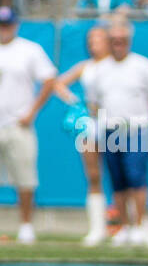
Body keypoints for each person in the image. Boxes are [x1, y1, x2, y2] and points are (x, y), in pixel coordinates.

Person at [0, 7, 58, 244]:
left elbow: (49, 80)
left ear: (15, 25)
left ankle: (26, 225)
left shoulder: (30, 50)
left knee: (25, 176)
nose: (4, 28)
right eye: (0, 24)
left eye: (8, 24)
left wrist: (31, 112)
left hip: (19, 124)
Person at [86, 15, 148, 248]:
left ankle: (141, 225)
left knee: (137, 177)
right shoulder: (99, 71)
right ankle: (123, 226)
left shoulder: (144, 66)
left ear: (129, 40)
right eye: (114, 39)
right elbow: (94, 104)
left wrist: (141, 120)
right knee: (118, 180)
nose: (118, 43)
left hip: (137, 128)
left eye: (122, 39)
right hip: (111, 129)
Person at [25, 23, 101, 244]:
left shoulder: (116, 65)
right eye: (91, 41)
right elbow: (56, 84)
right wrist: (75, 102)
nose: (94, 45)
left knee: (125, 176)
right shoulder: (85, 66)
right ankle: (98, 227)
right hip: (92, 124)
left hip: (115, 122)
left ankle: (133, 225)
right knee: (94, 175)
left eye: (98, 40)